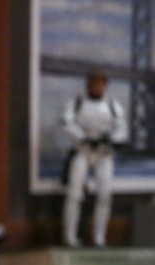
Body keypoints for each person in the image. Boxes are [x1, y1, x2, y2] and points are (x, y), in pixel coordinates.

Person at [61, 68, 127, 248]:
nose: (97, 86)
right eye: (94, 83)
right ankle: (70, 237)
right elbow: (67, 122)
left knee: (105, 194)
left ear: (105, 85)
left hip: (104, 153)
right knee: (74, 194)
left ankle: (99, 238)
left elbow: (122, 129)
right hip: (83, 151)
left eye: (101, 83)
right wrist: (82, 137)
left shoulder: (113, 105)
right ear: (87, 84)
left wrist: (110, 139)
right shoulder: (77, 103)